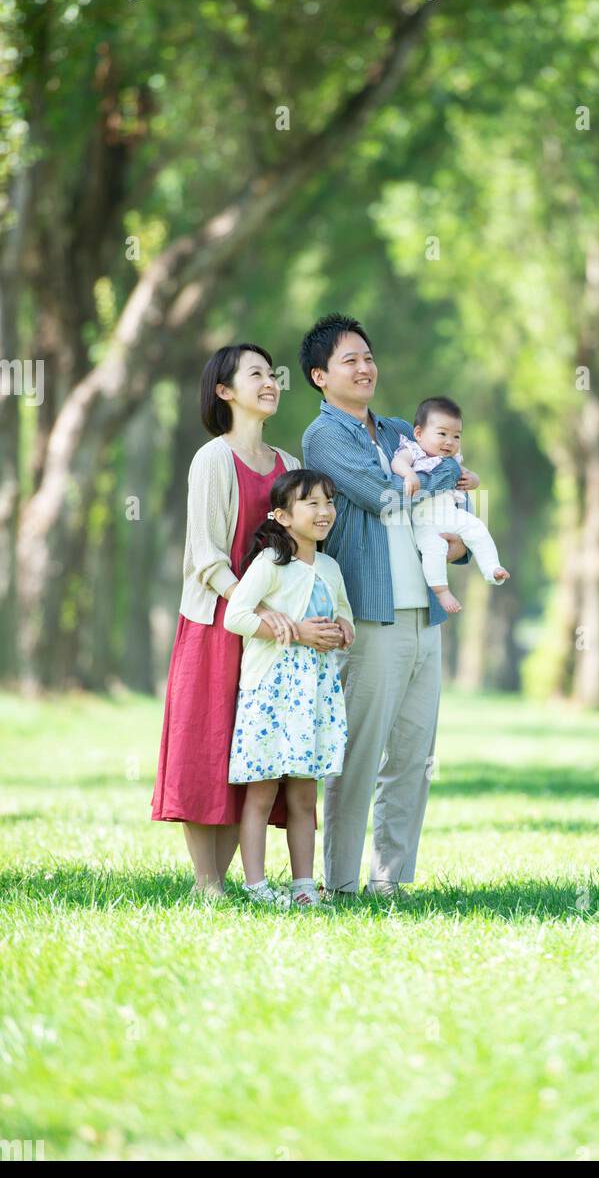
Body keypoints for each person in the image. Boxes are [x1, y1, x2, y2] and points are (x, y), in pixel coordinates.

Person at [300, 312, 476, 897]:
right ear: (319, 376)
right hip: (369, 615)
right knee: (357, 756)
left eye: (368, 357)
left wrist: (458, 543)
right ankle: (343, 883)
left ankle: (391, 882)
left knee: (412, 758)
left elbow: (458, 511)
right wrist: (449, 471)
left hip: (425, 614)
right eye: (349, 360)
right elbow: (381, 498)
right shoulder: (323, 436)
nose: (364, 367)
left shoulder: (401, 430)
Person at [151, 343, 306, 898]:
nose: (270, 382)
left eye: (272, 374)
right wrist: (251, 609)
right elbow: (206, 555)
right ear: (225, 391)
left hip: (273, 631)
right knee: (207, 741)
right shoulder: (212, 460)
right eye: (255, 375)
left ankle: (228, 879)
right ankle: (207, 882)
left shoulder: (289, 465)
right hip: (217, 622)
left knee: (253, 747)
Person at [224, 469, 354, 909]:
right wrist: (294, 630)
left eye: (328, 502)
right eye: (311, 503)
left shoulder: (331, 567)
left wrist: (343, 629)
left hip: (314, 695)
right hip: (272, 693)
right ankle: (256, 886)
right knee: (262, 792)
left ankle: (303, 885)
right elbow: (235, 616)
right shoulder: (271, 565)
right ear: (281, 515)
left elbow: (343, 613)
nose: (324, 511)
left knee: (303, 794)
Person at [391, 394, 509, 614]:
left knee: (477, 527)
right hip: (423, 520)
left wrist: (474, 480)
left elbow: (467, 475)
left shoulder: (452, 460)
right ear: (418, 433)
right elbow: (397, 462)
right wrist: (409, 474)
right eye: (442, 434)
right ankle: (442, 592)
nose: (449, 442)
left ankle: (491, 568)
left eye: (456, 436)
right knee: (433, 548)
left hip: (449, 515)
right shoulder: (413, 451)